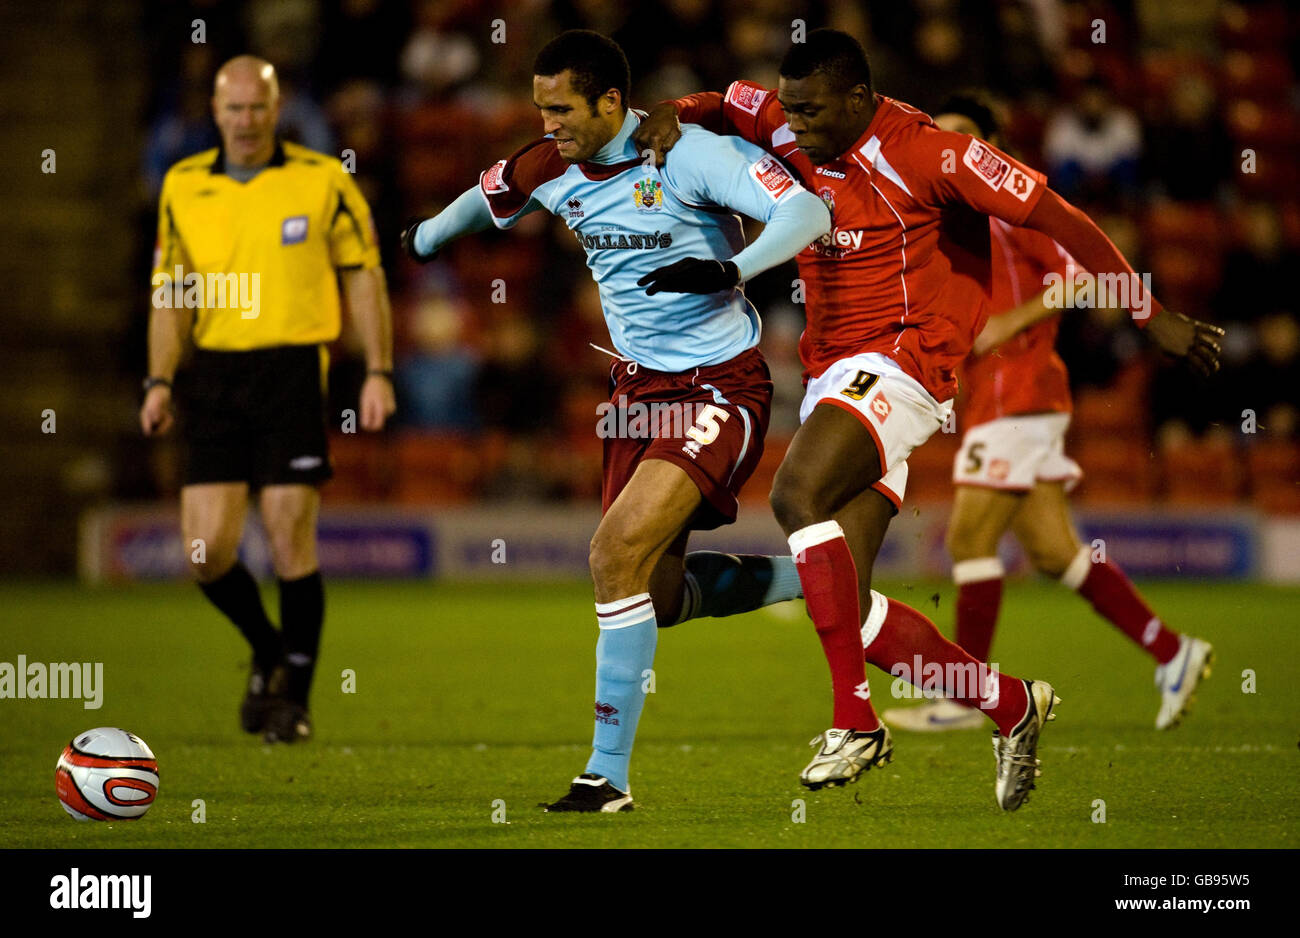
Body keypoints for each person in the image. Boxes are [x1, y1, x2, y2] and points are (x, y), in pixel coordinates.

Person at [634, 29, 1222, 808]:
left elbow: (1060, 216)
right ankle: (1011, 704)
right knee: (845, 600)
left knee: (794, 497)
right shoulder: (782, 116)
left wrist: (1153, 315)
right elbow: (720, 101)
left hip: (906, 365)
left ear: (858, 99)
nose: (794, 127)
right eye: (790, 109)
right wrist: (673, 114)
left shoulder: (930, 152)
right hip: (831, 373)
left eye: (811, 113)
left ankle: (855, 722)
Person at [402, 30, 829, 812]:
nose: (547, 123)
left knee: (611, 555)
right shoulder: (551, 163)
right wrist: (426, 237)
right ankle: (813, 578)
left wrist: (733, 269)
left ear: (610, 102)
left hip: (718, 389)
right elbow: (487, 195)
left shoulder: (690, 154)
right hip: (634, 398)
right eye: (538, 108)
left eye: (560, 108)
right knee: (656, 595)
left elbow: (807, 208)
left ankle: (606, 776)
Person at [882, 92, 1213, 733]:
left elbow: (1082, 275)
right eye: (938, 136)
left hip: (1021, 391)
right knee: (1055, 550)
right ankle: (1173, 653)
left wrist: (1003, 326)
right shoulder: (947, 220)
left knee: (970, 539)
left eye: (962, 136)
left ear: (990, 145)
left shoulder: (1010, 215)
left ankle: (963, 698)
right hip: (997, 399)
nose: (947, 149)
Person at [140, 55, 396, 743]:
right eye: (234, 109)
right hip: (216, 376)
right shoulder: (183, 185)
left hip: (291, 368)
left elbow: (363, 274)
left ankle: (295, 701)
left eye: (258, 108)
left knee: (288, 531)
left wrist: (379, 370)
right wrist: (159, 380)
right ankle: (266, 645)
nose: (246, 121)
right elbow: (171, 294)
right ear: (215, 113)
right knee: (205, 552)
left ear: (276, 109)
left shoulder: (322, 179)